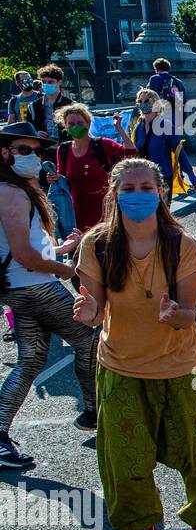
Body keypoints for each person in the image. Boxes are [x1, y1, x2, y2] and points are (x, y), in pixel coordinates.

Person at [73, 157, 196, 530]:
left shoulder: (181, 244)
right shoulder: (97, 244)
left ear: (161, 192)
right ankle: (144, 529)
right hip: (119, 366)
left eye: (146, 188)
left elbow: (188, 313)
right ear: (114, 194)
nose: (138, 196)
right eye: (129, 189)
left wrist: (175, 313)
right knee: (124, 458)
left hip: (182, 366)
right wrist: (86, 311)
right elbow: (95, 309)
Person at [0, 123, 96, 469]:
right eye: (24, 150)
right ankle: (93, 411)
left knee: (31, 360)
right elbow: (24, 255)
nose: (34, 158)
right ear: (5, 152)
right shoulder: (11, 193)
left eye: (38, 152)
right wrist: (65, 270)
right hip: (34, 285)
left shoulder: (15, 189)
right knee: (90, 338)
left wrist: (63, 248)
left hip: (23, 285)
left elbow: (25, 249)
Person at [56, 104, 136, 231]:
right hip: (76, 217)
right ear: (65, 126)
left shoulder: (102, 144)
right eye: (71, 123)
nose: (75, 126)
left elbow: (131, 152)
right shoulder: (63, 149)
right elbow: (61, 179)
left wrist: (119, 128)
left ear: (88, 123)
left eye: (80, 122)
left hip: (106, 215)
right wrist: (53, 178)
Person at [115, 88, 196, 204]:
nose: (143, 104)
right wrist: (119, 128)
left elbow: (179, 151)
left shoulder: (166, 125)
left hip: (162, 178)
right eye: (140, 101)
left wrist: (191, 175)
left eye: (147, 101)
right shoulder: (138, 127)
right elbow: (132, 152)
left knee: (161, 216)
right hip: (143, 179)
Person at [30, 65, 74, 142]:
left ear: (59, 82)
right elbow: (29, 129)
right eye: (43, 81)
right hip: (42, 148)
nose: (46, 84)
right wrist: (35, 133)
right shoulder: (33, 106)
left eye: (50, 82)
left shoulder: (71, 105)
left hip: (64, 147)